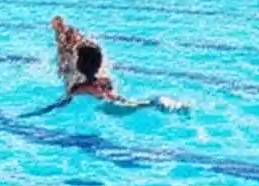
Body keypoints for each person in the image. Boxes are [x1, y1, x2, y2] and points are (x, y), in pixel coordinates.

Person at [38, 17, 185, 116]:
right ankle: (156, 103)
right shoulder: (104, 79)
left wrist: (41, 111)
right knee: (130, 103)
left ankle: (153, 104)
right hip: (101, 91)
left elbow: (61, 104)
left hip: (94, 101)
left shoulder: (75, 82)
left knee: (121, 107)